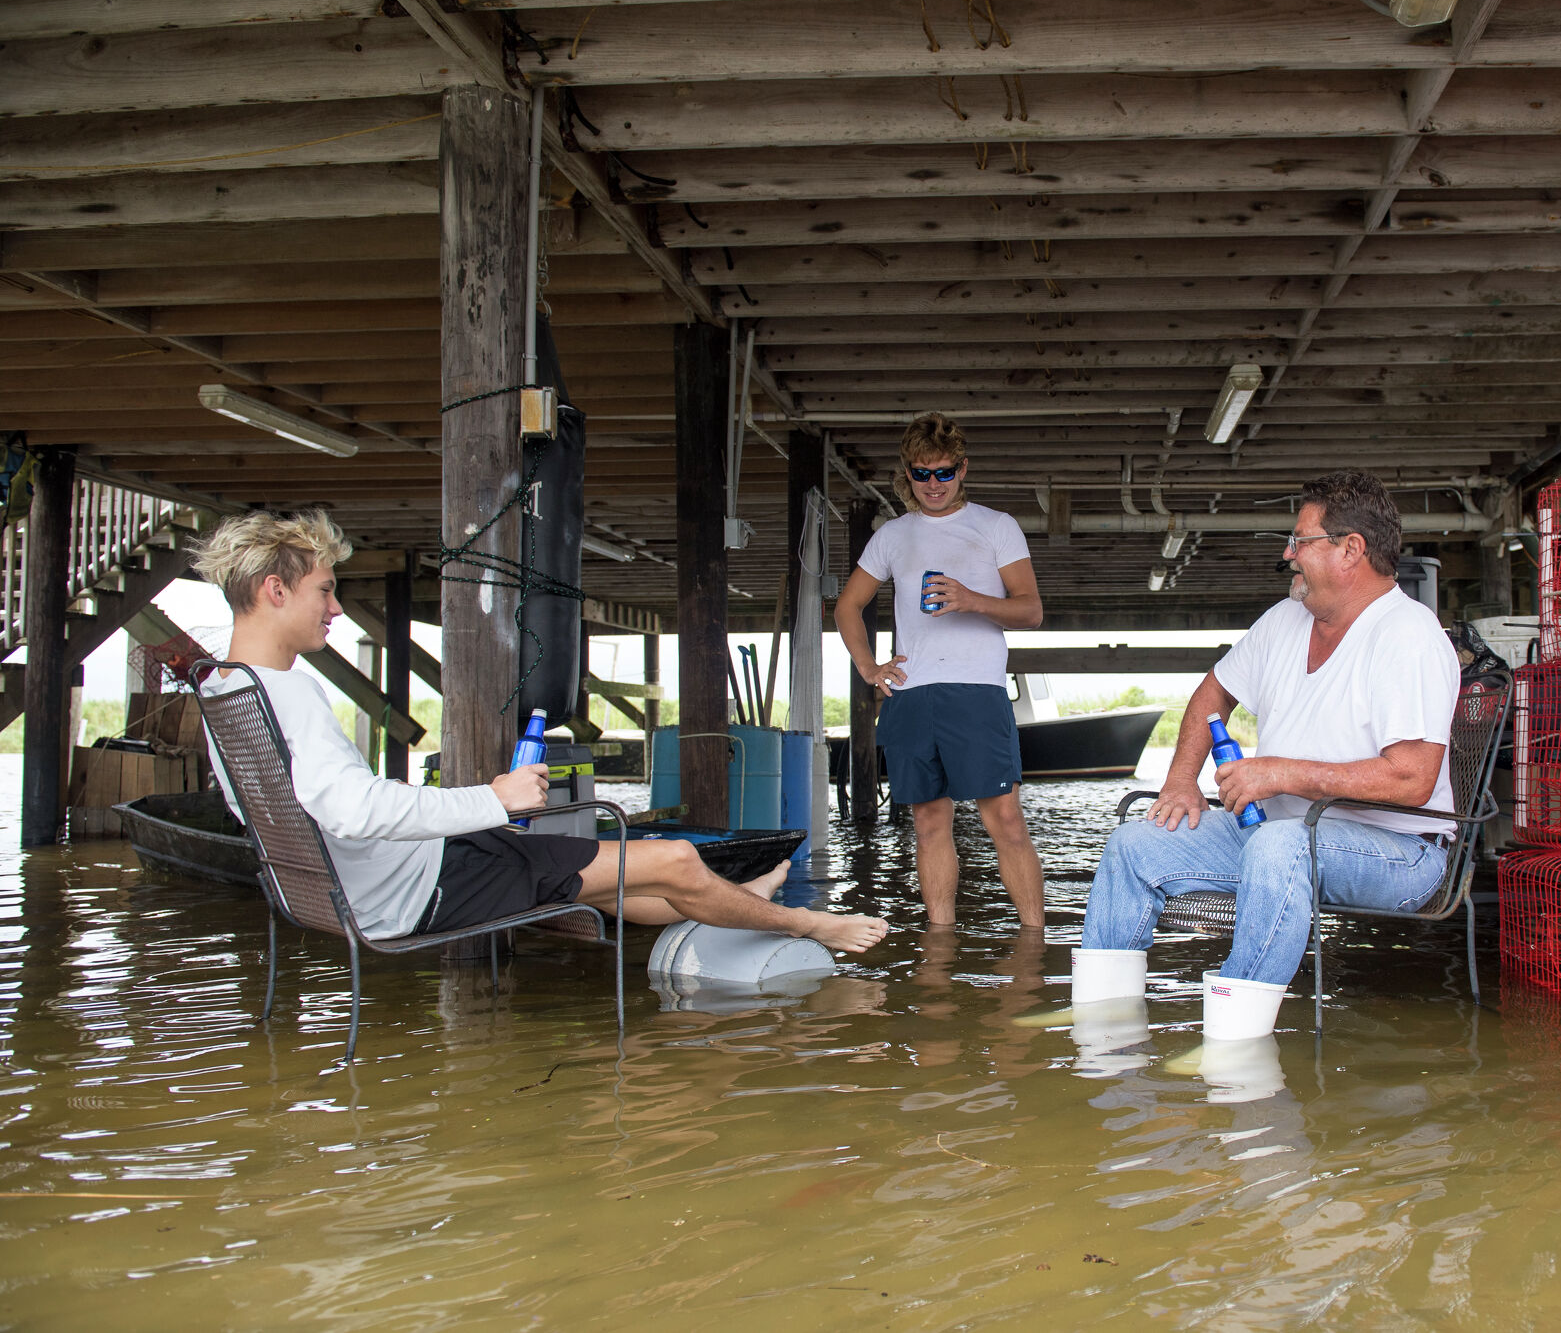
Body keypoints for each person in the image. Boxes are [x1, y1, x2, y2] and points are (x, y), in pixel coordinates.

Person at [190, 509, 888, 955]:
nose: (336, 606)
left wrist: (473, 813)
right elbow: (353, 808)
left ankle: (740, 905)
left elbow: (317, 811)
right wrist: (493, 799)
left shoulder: (225, 691)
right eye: (323, 590)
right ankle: (809, 924)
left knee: (593, 874)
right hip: (415, 893)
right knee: (673, 858)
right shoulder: (290, 694)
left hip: (356, 888)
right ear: (275, 591)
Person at [1032, 470, 1458, 1085]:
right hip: (1275, 837)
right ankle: (1099, 1027)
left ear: (1350, 550)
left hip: (1401, 852)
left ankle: (1235, 1045)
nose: (1287, 552)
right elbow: (1214, 692)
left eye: (1300, 539)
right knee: (1134, 844)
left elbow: (1412, 780)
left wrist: (1281, 772)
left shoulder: (1407, 635)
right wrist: (1181, 780)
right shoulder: (1283, 620)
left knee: (1284, 846)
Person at [833, 413, 1046, 930]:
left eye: (944, 472)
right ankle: (940, 940)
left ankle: (1034, 942)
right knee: (928, 824)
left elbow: (1032, 611)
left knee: (1006, 821)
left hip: (976, 693)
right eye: (921, 473)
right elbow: (846, 607)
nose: (932, 484)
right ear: (907, 474)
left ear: (963, 469)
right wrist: (868, 667)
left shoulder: (996, 526)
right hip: (911, 694)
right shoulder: (892, 535)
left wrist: (971, 599)